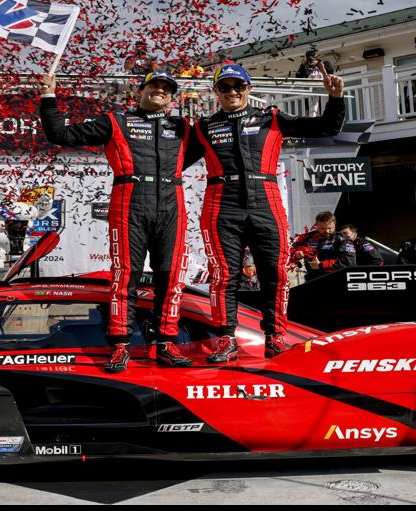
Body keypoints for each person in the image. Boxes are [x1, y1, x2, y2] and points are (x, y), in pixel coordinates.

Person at [41, 69, 202, 371]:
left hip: (171, 204)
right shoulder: (116, 121)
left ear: (172, 97)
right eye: (154, 86)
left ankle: (166, 343)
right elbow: (60, 135)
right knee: (125, 276)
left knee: (170, 276)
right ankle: (120, 345)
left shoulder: (182, 127)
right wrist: (49, 97)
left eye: (166, 89)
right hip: (130, 201)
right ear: (140, 91)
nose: (160, 91)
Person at [191, 63, 346, 361]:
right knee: (224, 275)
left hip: (266, 201)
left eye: (238, 86)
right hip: (221, 204)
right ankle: (226, 340)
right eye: (224, 87)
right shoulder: (204, 126)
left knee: (275, 273)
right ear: (216, 92)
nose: (232, 92)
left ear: (249, 89)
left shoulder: (271, 118)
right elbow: (172, 163)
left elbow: (325, 128)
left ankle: (275, 337)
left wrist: (335, 99)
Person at [316, 224, 382, 271]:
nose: (343, 236)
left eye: (345, 233)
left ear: (355, 234)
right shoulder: (341, 245)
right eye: (341, 234)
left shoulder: (364, 244)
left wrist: (364, 272)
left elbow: (377, 261)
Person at [290, 211, 337, 276]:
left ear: (334, 225)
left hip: (335, 276)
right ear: (316, 225)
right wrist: (296, 255)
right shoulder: (307, 237)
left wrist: (322, 264)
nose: (327, 231)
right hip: (312, 278)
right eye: (323, 228)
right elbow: (289, 253)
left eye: (329, 228)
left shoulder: (342, 239)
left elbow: (348, 261)